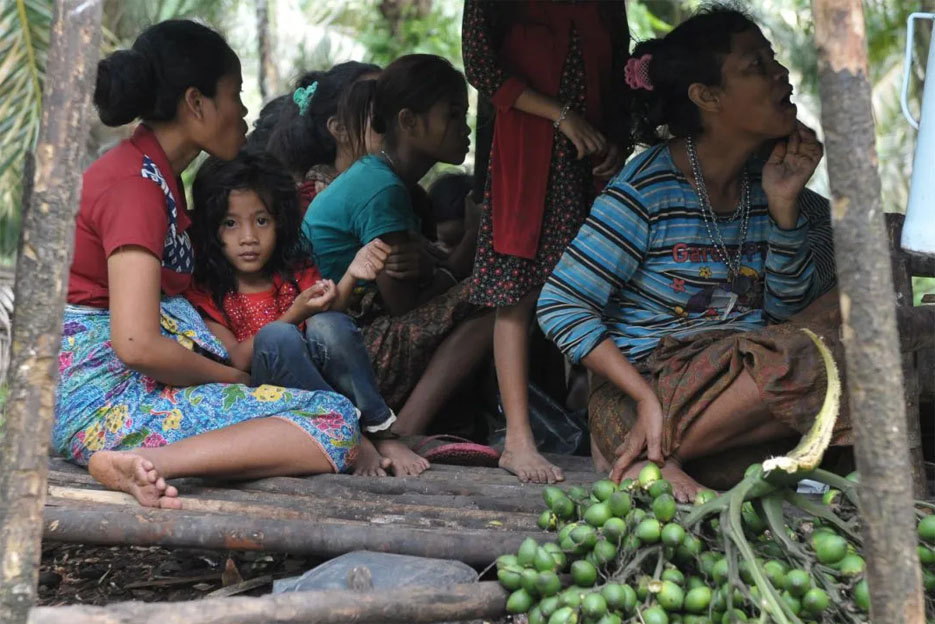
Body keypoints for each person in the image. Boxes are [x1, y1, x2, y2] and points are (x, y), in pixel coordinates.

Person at [537, 5, 848, 502]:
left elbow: (787, 315)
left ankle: (658, 456)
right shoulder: (647, 189)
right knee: (814, 356)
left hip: (736, 391)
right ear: (707, 97)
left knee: (853, 322)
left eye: (773, 61)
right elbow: (559, 305)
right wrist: (642, 399)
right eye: (757, 67)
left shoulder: (768, 183)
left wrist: (784, 206)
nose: (781, 75)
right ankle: (651, 450)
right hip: (650, 389)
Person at [55, 20, 360, 509]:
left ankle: (147, 457)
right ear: (196, 103)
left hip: (127, 387)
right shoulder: (136, 187)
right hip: (104, 401)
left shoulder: (155, 176)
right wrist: (233, 380)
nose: (242, 112)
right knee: (337, 422)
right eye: (234, 94)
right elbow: (135, 344)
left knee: (324, 415)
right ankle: (143, 461)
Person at [462, 0, 631, 483]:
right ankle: (518, 440)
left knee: (599, 296)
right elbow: (482, 68)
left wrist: (615, 144)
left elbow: (619, 74)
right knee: (515, 293)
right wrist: (561, 116)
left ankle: (605, 441)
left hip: (590, 158)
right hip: (526, 153)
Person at [304, 55, 495, 475]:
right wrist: (471, 241)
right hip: (351, 350)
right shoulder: (383, 192)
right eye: (452, 115)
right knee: (496, 302)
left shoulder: (382, 178)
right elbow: (405, 307)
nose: (464, 128)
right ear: (408, 121)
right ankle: (402, 430)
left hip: (351, 338)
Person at [184, 150, 401, 476]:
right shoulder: (209, 290)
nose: (248, 238)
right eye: (230, 224)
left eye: (261, 221)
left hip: (317, 384)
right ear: (211, 230)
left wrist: (352, 275)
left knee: (331, 323)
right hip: (268, 401)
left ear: (280, 222)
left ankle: (378, 428)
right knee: (277, 336)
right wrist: (293, 314)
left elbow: (326, 325)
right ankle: (352, 435)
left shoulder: (292, 270)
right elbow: (237, 359)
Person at [266, 62, 380, 208]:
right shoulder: (309, 205)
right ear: (340, 129)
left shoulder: (401, 191)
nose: (396, 121)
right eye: (379, 112)